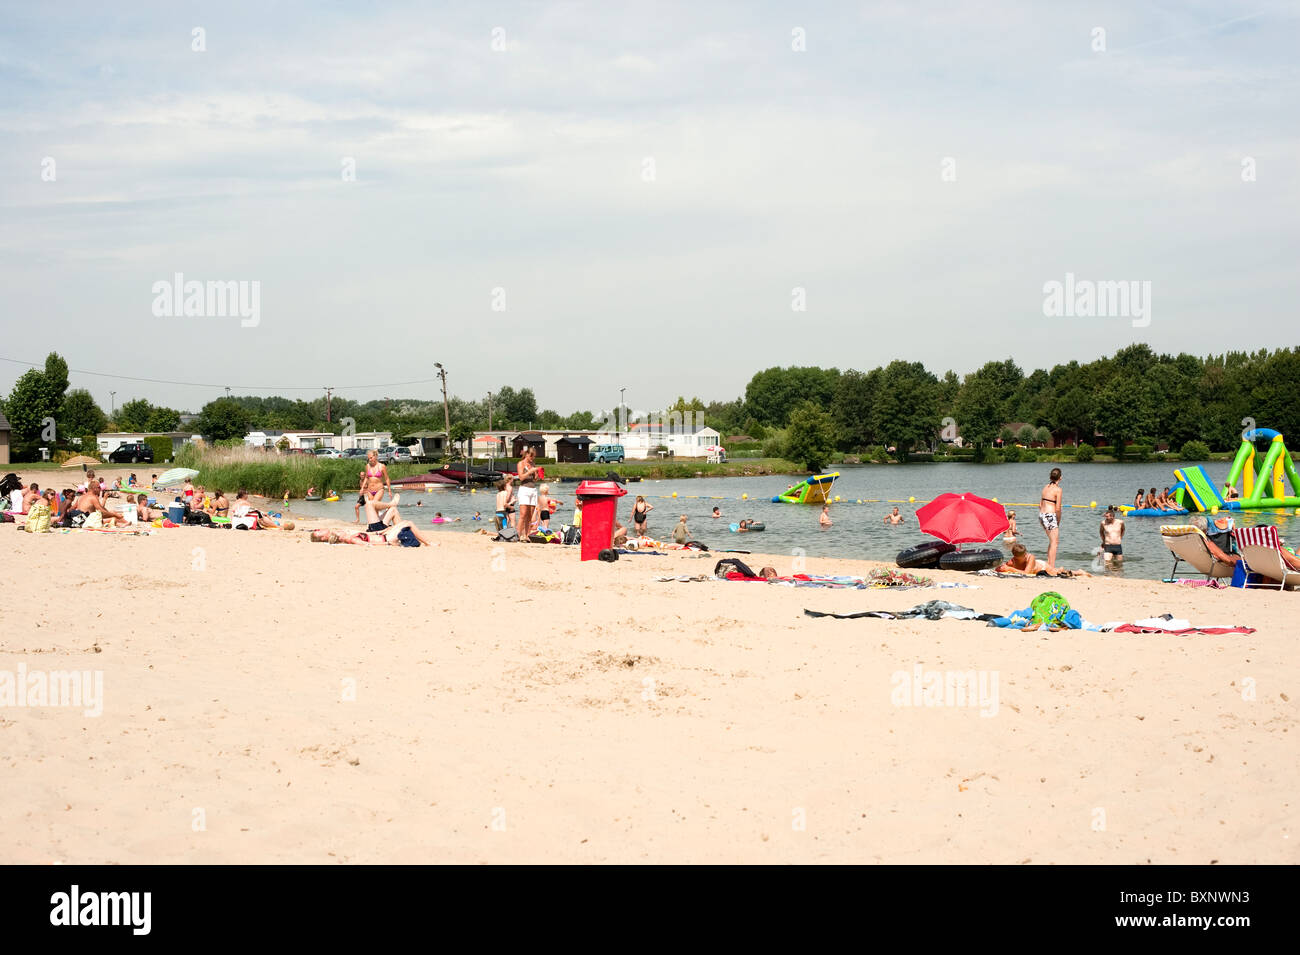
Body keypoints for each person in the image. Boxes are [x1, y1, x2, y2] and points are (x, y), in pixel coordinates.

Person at [1038, 467, 1063, 569]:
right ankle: (1051, 567)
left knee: (1052, 541)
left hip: (1041, 515)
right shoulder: (1058, 490)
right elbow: (1057, 508)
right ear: (1060, 478)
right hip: (1050, 515)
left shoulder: (1045, 487)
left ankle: (1049, 563)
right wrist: (1058, 520)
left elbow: (1040, 504)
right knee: (1055, 542)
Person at [516, 447, 541, 540]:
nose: (532, 458)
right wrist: (530, 471)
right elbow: (521, 478)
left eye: (534, 456)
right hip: (524, 489)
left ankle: (526, 535)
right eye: (531, 456)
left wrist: (536, 474)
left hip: (532, 489)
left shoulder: (532, 464)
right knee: (523, 513)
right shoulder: (521, 464)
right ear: (526, 454)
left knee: (530, 515)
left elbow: (535, 479)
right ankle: (518, 535)